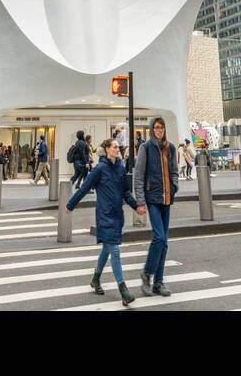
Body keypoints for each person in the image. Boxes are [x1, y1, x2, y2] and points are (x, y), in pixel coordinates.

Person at [66, 137, 142, 304]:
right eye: (114, 147)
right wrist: (70, 204)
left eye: (118, 147)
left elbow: (125, 193)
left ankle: (95, 279)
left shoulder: (121, 168)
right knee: (114, 250)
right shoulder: (100, 169)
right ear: (107, 149)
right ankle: (123, 290)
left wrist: (136, 206)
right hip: (104, 216)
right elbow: (85, 188)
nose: (118, 149)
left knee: (107, 250)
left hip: (117, 216)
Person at [133, 116, 179, 297]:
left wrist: (174, 185)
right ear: (152, 129)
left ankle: (158, 283)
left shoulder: (170, 148)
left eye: (162, 127)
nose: (159, 130)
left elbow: (174, 170)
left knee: (164, 243)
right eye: (156, 127)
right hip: (152, 198)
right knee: (159, 238)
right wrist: (141, 201)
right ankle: (146, 273)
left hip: (167, 198)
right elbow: (138, 176)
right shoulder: (145, 148)